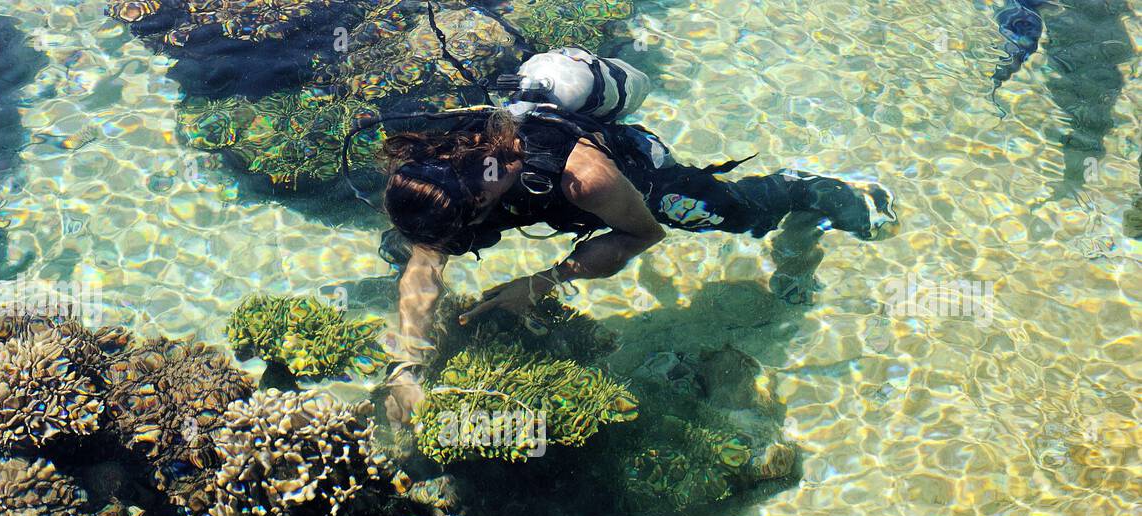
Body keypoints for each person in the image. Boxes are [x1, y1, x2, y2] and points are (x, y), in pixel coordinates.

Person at [379, 104, 895, 425]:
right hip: (520, 186)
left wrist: (545, 280)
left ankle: (796, 187)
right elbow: (423, 269)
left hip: (633, 172)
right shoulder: (442, 162)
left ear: (480, 201)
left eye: (465, 228)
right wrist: (407, 368)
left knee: (731, 214)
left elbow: (644, 236)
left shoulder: (585, 181)